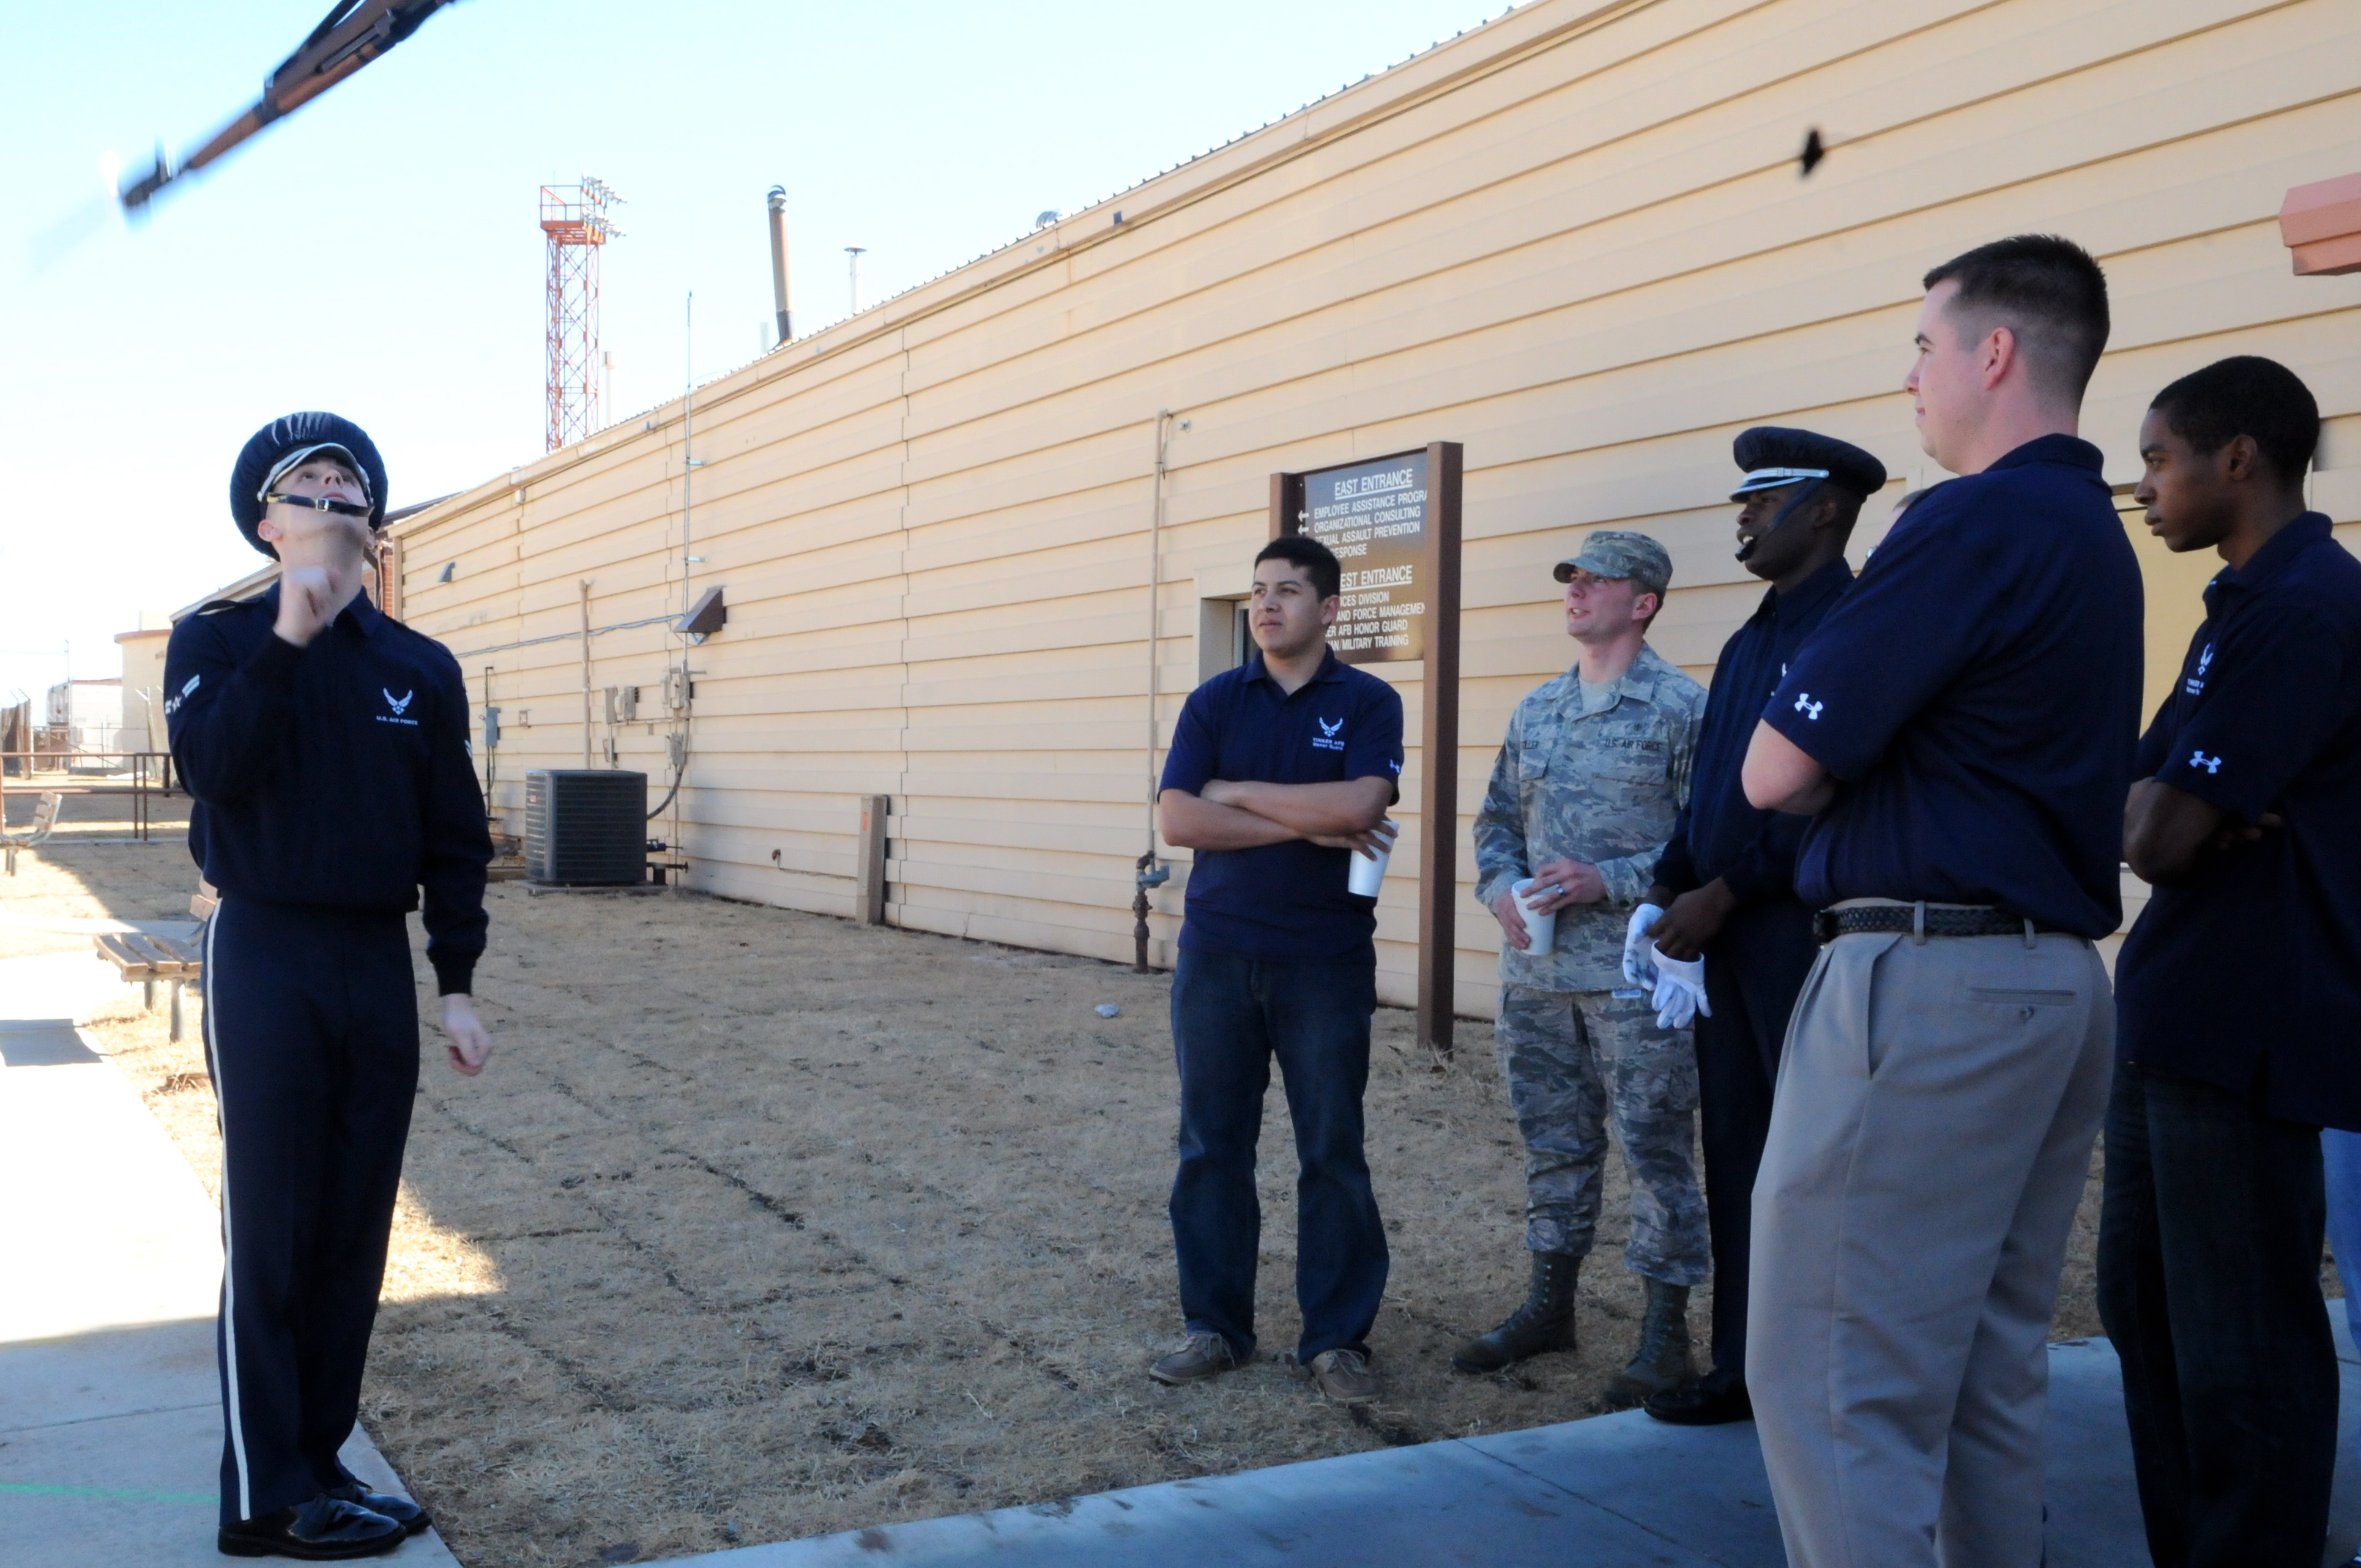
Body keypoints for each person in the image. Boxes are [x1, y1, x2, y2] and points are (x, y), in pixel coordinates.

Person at [1737, 234, 2143, 1566]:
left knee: (1830, 1377)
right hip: (2046, 985)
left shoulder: (1969, 518)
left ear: (1993, 352)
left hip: (1929, 987)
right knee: (1978, 1370)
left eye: (1921, 345)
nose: (1908, 375)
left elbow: (1774, 769)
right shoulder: (2092, 531)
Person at [168, 413, 494, 1561]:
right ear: (268, 520)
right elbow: (213, 768)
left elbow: (455, 838)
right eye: (304, 483)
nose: (330, 490)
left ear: (373, 519)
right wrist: (291, 638)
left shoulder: (419, 668)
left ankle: (319, 1461)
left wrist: (456, 983)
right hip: (263, 951)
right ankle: (263, 1499)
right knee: (274, 1228)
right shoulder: (213, 641)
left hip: (372, 958)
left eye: (348, 480)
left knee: (355, 1229)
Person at [2099, 356, 2358, 1566]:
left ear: (2236, 458)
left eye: (2157, 458)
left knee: (2241, 1344)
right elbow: (2138, 809)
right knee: (2144, 1315)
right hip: (2170, 1011)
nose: (2144, 486)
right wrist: (2182, 810)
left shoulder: (2310, 608)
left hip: (2246, 1028)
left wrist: (2178, 813)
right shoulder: (2238, 609)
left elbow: (2153, 833)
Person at [1634, 427, 1886, 1427]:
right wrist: (1671, 885)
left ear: (1822, 509)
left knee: (1815, 1165)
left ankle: (1814, 1378)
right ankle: (1742, 1365)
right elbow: (1713, 789)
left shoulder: (1858, 625)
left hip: (1797, 933)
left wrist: (1726, 894)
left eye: (1763, 499)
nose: (1743, 515)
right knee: (1739, 1151)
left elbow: (1831, 801)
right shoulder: (1751, 637)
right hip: (1722, 934)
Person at [1151, 533, 1403, 1405]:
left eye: (1288, 590)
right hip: (1216, 955)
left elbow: (1362, 804)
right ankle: (1215, 1328)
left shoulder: (1369, 702)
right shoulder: (1216, 701)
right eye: (1258, 590)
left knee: (1332, 1149)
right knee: (1211, 1147)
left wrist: (1236, 791)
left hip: (1324, 963)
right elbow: (1179, 821)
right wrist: (1307, 823)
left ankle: (1337, 1342)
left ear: (1328, 609)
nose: (1266, 604)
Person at [1459, 531, 1709, 1403]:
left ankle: (1664, 1335)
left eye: (1597, 580)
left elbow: (1707, 843)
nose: (1575, 589)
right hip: (1537, 977)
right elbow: (1494, 821)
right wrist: (1497, 885)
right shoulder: (1538, 711)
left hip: (1635, 979)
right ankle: (1548, 1306)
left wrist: (1611, 879)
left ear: (1643, 602)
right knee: (1553, 1144)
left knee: (1655, 1147)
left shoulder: (1683, 708)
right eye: (1570, 576)